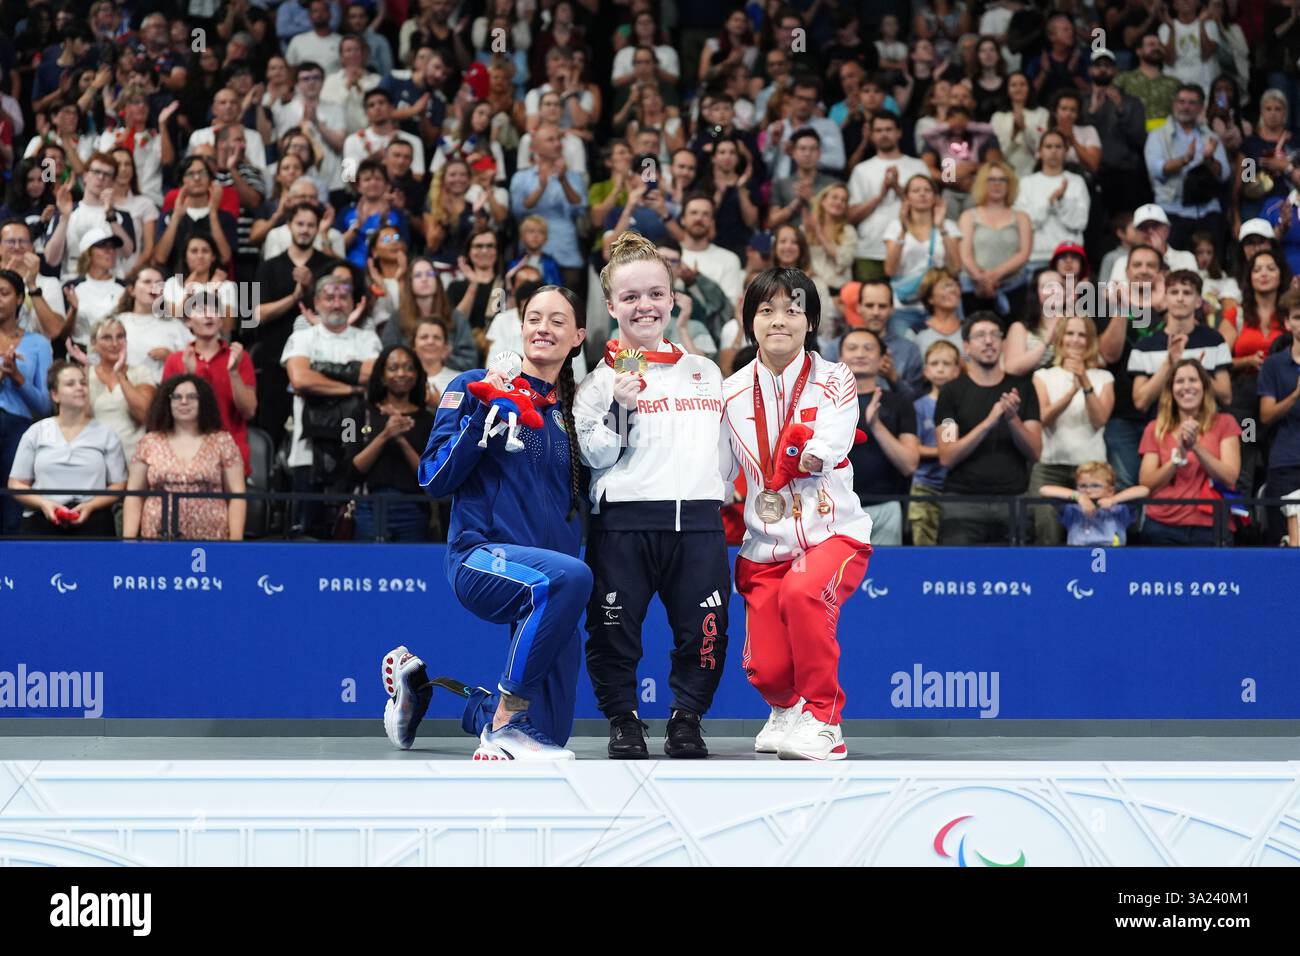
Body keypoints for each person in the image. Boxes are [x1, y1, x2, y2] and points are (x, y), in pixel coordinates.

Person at [384, 285, 591, 761]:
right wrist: (481, 417)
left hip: (552, 577)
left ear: (578, 336)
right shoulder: (474, 384)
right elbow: (432, 478)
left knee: (552, 736)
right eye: (534, 317)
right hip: (480, 557)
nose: (543, 328)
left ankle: (425, 691)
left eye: (558, 321)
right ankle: (506, 722)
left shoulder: (575, 412)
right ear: (520, 328)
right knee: (570, 576)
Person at [574, 232, 730, 759]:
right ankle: (624, 721)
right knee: (614, 634)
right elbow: (594, 457)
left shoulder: (705, 372)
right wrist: (619, 407)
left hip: (701, 526)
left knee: (704, 633)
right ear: (613, 305)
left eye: (656, 293)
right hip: (624, 525)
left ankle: (687, 720)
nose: (646, 306)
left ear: (671, 298)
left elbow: (726, 453)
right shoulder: (598, 383)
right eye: (632, 297)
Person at [720, 267, 875, 760]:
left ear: (810, 322)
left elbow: (832, 440)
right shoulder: (730, 393)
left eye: (793, 309)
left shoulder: (835, 378)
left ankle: (825, 719)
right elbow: (720, 475)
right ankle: (787, 710)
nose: (779, 320)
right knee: (764, 669)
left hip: (833, 535)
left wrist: (806, 455)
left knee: (804, 592)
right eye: (766, 310)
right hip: (765, 544)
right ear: (751, 323)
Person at [281, 274, 382, 536]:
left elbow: (375, 375)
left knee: (348, 526)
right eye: (329, 297)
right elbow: (301, 379)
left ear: (353, 303)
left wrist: (320, 370)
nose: (336, 303)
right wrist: (351, 387)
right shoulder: (303, 337)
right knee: (307, 531)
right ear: (316, 303)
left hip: (354, 441)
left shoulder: (367, 338)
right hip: (308, 446)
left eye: (342, 297)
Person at [935, 311, 1044, 543]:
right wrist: (989, 421)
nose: (988, 340)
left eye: (995, 335)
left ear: (1003, 343)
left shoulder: (1023, 388)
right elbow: (947, 455)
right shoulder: (951, 392)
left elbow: (1035, 452)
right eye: (980, 335)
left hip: (1013, 500)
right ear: (966, 346)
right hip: (962, 504)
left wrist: (1012, 418)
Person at [123, 373, 246, 542]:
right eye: (177, 397)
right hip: (157, 537)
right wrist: (128, 540)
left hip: (211, 539)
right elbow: (134, 495)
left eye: (191, 397)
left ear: (203, 402)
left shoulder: (222, 441)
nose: (184, 402)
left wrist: (236, 541)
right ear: (168, 403)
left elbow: (237, 495)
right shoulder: (149, 442)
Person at [8, 360, 124, 537]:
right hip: (42, 518)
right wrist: (43, 504)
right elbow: (16, 483)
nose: (80, 388)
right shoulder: (36, 432)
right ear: (55, 395)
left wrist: (91, 505)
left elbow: (118, 485)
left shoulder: (107, 434)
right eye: (70, 384)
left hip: (93, 518)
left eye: (83, 383)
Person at [1028, 315, 1116, 544]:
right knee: (1047, 532)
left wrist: (1085, 382)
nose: (1075, 340)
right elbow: (1042, 418)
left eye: (1082, 335)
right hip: (1050, 468)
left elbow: (1099, 420)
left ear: (1090, 341)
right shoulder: (1043, 376)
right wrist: (1069, 394)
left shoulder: (1103, 377)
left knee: (1092, 537)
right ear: (1060, 338)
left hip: (1092, 470)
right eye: (1070, 333)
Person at [1138, 358, 1241, 545]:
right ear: (1171, 390)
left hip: (1211, 525)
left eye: (1193, 380)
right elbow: (1146, 484)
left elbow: (1230, 477)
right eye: (1179, 381)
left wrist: (1195, 447)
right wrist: (1177, 457)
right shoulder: (1154, 428)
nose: (1186, 386)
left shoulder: (1225, 422)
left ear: (1204, 386)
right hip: (1162, 526)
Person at [344, 344, 434, 542]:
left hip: (413, 509)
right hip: (369, 507)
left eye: (409, 368)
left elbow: (429, 476)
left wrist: (400, 439)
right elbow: (350, 469)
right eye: (393, 368)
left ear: (418, 375)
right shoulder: (355, 415)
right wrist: (385, 434)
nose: (402, 373)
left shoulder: (429, 420)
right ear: (382, 376)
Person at [162, 290, 257, 475]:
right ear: (188, 321)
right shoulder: (176, 360)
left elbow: (249, 411)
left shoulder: (239, 358)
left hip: (231, 458)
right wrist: (189, 377)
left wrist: (234, 373)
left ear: (221, 319)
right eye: (200, 310)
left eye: (214, 310)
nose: (208, 315)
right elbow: (167, 414)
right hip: (188, 457)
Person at [840, 328, 919, 545]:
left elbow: (909, 465)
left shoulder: (899, 403)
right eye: (852, 348)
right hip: (836, 508)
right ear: (840, 359)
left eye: (868, 348)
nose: (860, 354)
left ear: (883, 359)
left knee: (889, 577)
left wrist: (876, 425)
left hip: (887, 507)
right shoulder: (826, 403)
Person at [1129, 269, 1233, 417]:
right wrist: (1169, 363)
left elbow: (1226, 397)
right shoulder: (1145, 346)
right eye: (1173, 292)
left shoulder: (1214, 340)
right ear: (1165, 299)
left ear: (1198, 301)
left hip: (1206, 425)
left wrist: (1198, 372)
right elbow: (1140, 402)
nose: (1180, 298)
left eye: (1187, 293)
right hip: (1160, 428)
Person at [1144, 83, 1231, 255]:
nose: (1186, 107)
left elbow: (1225, 174)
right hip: (1172, 211)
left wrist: (1209, 159)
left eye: (1192, 103)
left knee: (1212, 267)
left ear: (1201, 107)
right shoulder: (1158, 136)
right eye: (1181, 101)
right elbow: (1156, 169)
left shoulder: (1210, 137)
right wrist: (1184, 159)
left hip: (1206, 211)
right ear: (1174, 104)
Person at [0, 268, 54, 534]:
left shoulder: (38, 344)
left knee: (12, 507)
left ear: (20, 299)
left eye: (4, 293)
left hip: (18, 430)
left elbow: (45, 405)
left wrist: (17, 377)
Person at [847, 112, 929, 282]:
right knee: (871, 306)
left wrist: (898, 188)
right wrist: (880, 195)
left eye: (888, 129)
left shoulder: (918, 166)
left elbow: (932, 206)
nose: (884, 134)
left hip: (912, 250)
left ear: (899, 132)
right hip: (870, 249)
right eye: (878, 130)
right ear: (871, 135)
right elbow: (850, 216)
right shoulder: (861, 170)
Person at [71, 316, 155, 466]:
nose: (115, 343)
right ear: (93, 344)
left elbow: (145, 415)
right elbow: (79, 421)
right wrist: (85, 372)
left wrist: (120, 375)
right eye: (107, 338)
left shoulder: (141, 372)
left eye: (120, 337)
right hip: (95, 459)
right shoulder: (85, 376)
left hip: (134, 460)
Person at [883, 174, 961, 332]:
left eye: (927, 190)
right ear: (907, 198)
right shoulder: (895, 227)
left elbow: (956, 267)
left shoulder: (949, 226)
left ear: (935, 197)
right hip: (903, 305)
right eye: (916, 190)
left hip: (940, 304)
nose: (922, 194)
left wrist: (941, 227)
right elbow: (890, 270)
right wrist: (903, 230)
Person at [958, 160, 1033, 320]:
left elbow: (1023, 254)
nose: (997, 184)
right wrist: (982, 279)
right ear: (982, 184)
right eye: (991, 180)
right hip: (975, 289)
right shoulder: (968, 216)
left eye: (1002, 180)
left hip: (1013, 289)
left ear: (1010, 184)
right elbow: (965, 255)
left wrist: (993, 276)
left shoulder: (1021, 217)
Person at [909, 339, 962, 545]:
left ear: (957, 370)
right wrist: (945, 452)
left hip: (955, 483)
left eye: (946, 364)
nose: (940, 369)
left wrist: (951, 451)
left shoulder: (962, 404)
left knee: (953, 545)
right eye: (935, 363)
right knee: (923, 543)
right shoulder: (918, 406)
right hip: (925, 484)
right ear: (926, 371)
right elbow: (912, 447)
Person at [1015, 129, 1090, 272]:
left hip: (1069, 258)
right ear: (1040, 152)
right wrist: (1050, 203)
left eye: (1058, 146)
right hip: (1035, 258)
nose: (1053, 151)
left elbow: (1080, 222)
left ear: (1066, 151)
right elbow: (1025, 223)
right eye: (1048, 146)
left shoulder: (1076, 182)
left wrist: (1060, 202)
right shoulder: (1026, 183)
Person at [1259, 289, 1300, 543]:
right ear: (1287, 323)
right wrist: (1296, 395)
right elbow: (1263, 416)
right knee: (1287, 542)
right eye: (1297, 317)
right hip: (1286, 464)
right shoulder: (1273, 364)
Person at [1037, 461, 1149, 546]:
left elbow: (1144, 490)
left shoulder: (1118, 509)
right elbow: (1044, 490)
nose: (1088, 490)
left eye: (1095, 485)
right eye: (1083, 486)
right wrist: (1079, 497)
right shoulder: (1073, 509)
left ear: (1110, 490)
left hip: (1112, 556)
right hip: (1077, 556)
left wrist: (1113, 500)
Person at [115, 267, 191, 384]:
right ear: (132, 290)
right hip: (122, 388)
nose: (154, 287)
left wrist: (170, 358)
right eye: (147, 282)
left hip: (161, 391)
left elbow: (193, 362)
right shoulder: (118, 322)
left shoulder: (174, 325)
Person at [62, 225, 128, 347]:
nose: (110, 251)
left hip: (115, 350)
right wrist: (73, 310)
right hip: (80, 351)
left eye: (112, 247)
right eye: (103, 246)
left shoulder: (125, 288)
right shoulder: (72, 287)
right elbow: (62, 334)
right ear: (88, 253)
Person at [908, 268, 964, 356]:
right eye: (946, 286)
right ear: (930, 298)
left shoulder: (970, 329)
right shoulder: (916, 332)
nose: (953, 290)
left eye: (956, 285)